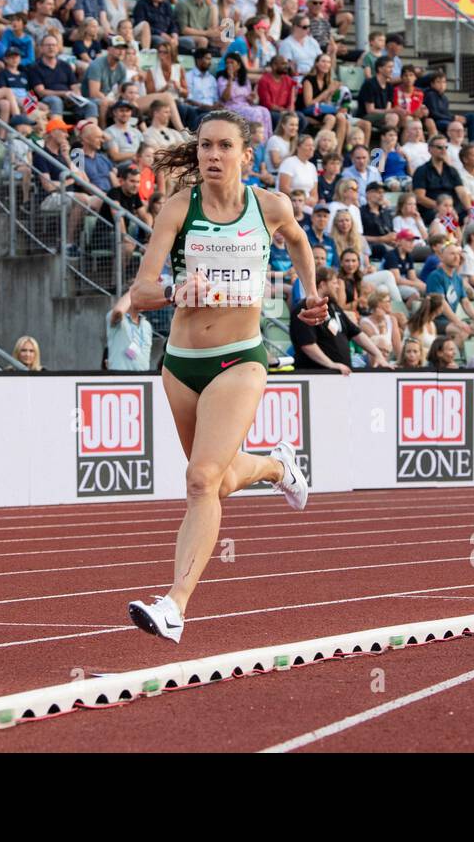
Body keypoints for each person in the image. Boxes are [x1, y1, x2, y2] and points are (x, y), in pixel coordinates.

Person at [123, 110, 326, 644]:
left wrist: (309, 292)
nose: (212, 155)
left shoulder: (270, 206)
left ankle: (174, 605)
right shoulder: (178, 209)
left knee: (199, 480)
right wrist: (173, 292)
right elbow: (139, 295)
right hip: (181, 365)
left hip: (241, 358)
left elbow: (299, 242)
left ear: (245, 155)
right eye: (205, 146)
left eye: (223, 146)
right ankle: (275, 466)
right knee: (214, 479)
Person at [106, 290, 153, 371]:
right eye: (140, 295)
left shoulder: (146, 325)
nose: (144, 299)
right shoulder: (119, 320)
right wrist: (134, 288)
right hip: (121, 377)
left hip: (144, 378)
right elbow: (118, 311)